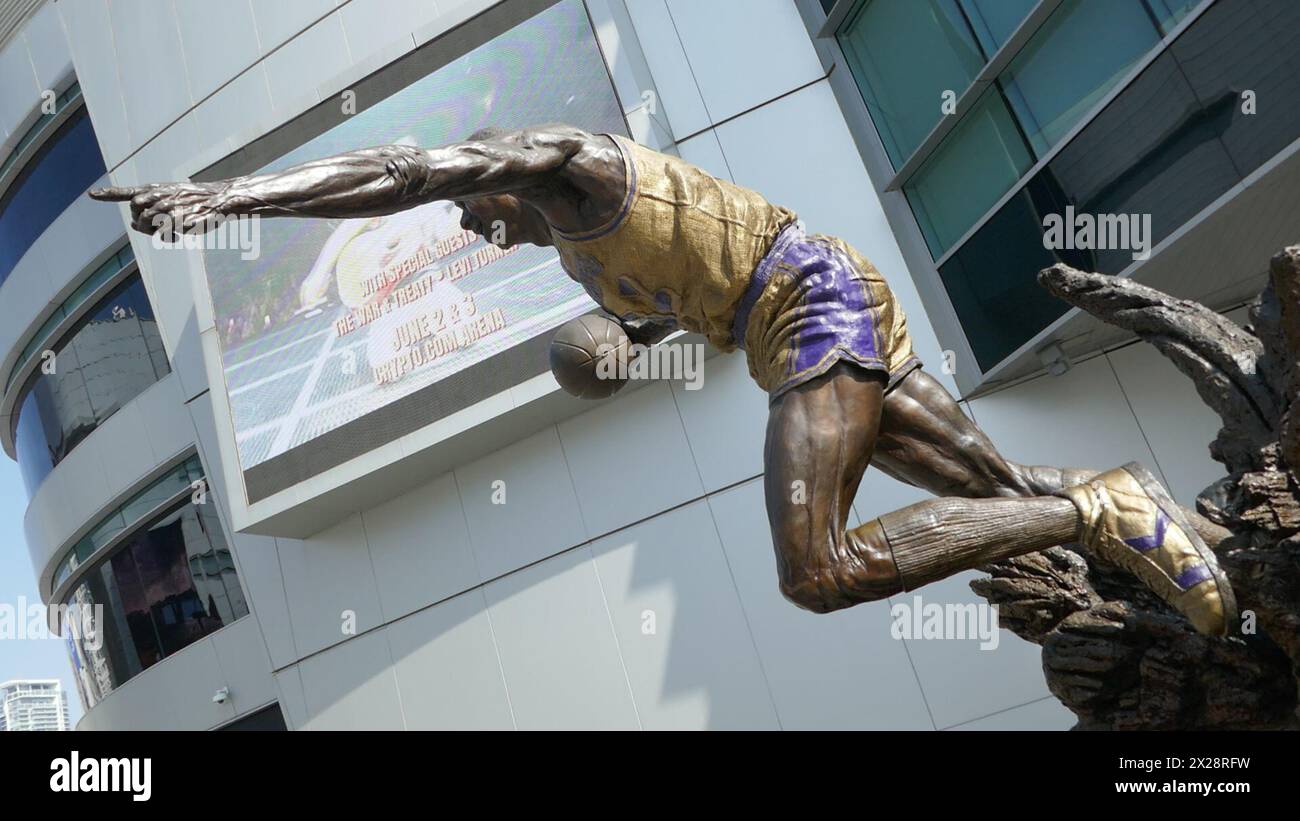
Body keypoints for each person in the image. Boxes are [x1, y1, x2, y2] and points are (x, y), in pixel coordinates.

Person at [91, 124, 1237, 636]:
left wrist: (232, 198)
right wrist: (616, 346)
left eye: (473, 209)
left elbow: (400, 170)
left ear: (497, 173)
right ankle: (1136, 522)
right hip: (809, 301)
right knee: (995, 488)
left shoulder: (571, 165)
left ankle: (1104, 505)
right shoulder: (592, 262)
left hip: (808, 303)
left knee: (819, 569)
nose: (477, 228)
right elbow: (678, 312)